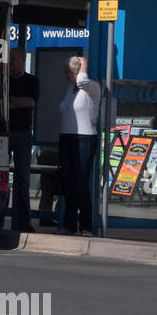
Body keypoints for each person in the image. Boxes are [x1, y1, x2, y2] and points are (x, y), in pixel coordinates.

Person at [58, 54, 101, 236]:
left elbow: (82, 82)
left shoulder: (92, 87)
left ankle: (86, 226)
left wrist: (83, 65)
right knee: (68, 181)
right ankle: (69, 225)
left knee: (81, 182)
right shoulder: (70, 89)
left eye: (70, 72)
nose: (68, 76)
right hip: (67, 136)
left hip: (85, 137)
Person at [7, 48, 39, 232]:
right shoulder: (3, 79)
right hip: (5, 133)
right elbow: (2, 102)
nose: (10, 62)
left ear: (22, 60)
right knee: (0, 176)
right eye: (9, 58)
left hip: (23, 134)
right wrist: (18, 102)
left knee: (23, 180)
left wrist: (11, 100)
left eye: (13, 58)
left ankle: (24, 222)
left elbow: (31, 102)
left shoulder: (31, 81)